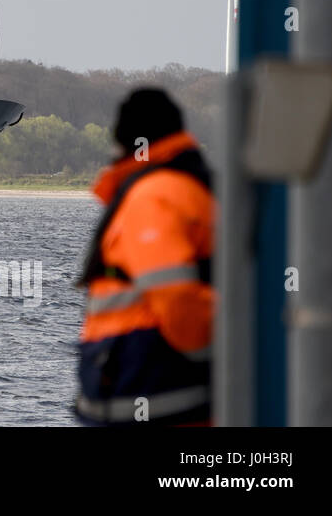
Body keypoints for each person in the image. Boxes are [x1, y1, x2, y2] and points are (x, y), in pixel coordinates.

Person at [76, 88, 215, 426]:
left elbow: (173, 294)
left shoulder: (154, 195)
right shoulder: (187, 186)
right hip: (164, 391)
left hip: (151, 390)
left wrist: (211, 357)